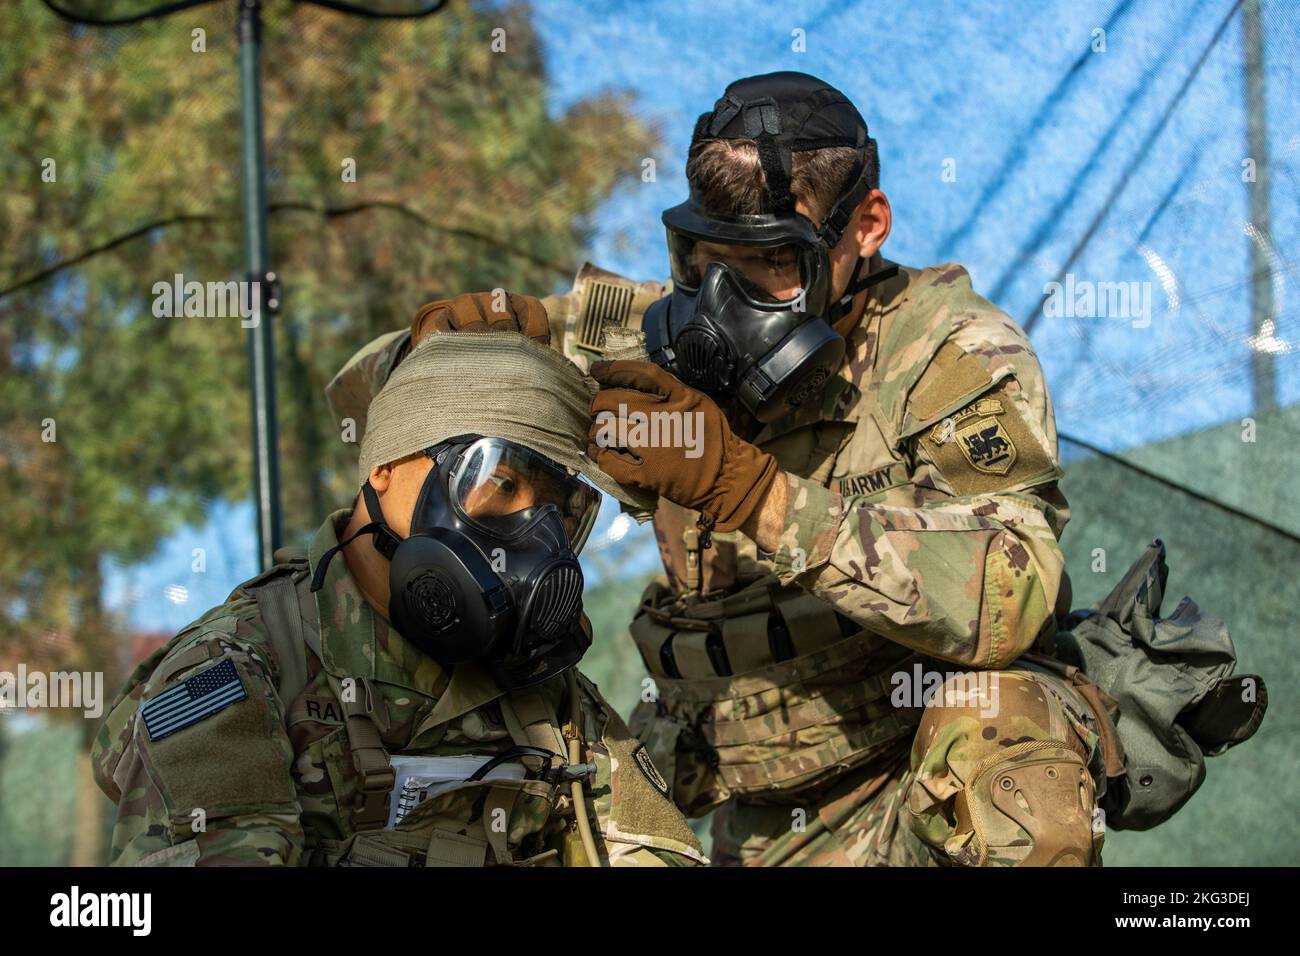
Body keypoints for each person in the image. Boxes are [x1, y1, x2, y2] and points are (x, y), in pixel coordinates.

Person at [322, 74, 1111, 867]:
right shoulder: (642, 330)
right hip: (740, 793)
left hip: (912, 781)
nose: (724, 301)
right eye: (704, 259)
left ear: (866, 226)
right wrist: (440, 350)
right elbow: (369, 408)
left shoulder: (950, 351)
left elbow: (1015, 594)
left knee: (1011, 752)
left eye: (774, 261)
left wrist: (754, 492)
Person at [91, 307, 706, 867]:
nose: (527, 534)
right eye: (499, 482)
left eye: (555, 510)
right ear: (385, 464)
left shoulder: (544, 690)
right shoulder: (229, 674)